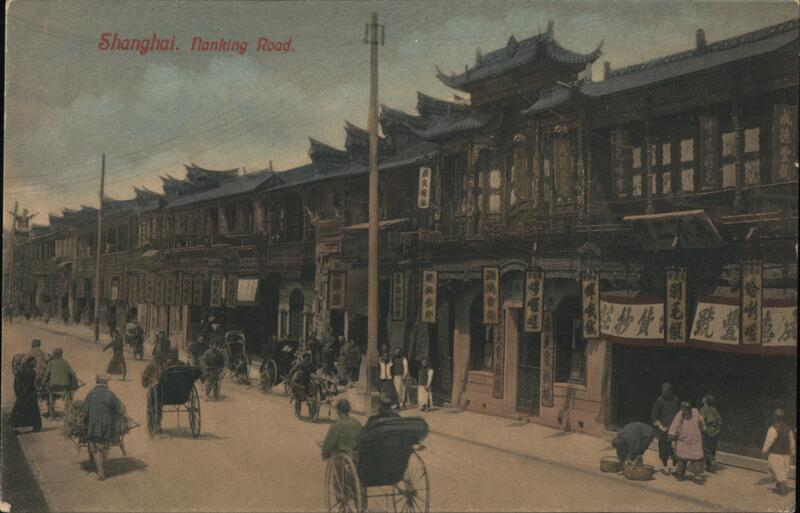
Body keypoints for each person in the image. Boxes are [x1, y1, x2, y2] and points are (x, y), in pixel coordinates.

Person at [82, 374, 126, 481]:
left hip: (93, 426)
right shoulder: (111, 394)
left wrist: (85, 422)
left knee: (95, 447)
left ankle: (101, 472)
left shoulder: (90, 394)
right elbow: (120, 410)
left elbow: (84, 411)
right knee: (101, 446)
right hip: (108, 427)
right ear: (106, 383)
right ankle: (97, 464)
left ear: (97, 382)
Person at [668, 401, 704, 482]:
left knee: (684, 458)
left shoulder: (682, 413)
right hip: (689, 438)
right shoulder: (695, 411)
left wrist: (671, 435)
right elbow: (701, 421)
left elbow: (674, 425)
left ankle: (681, 475)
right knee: (693, 457)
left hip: (690, 438)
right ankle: (695, 474)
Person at [762, 409, 796, 496]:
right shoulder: (789, 430)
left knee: (775, 470)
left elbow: (769, 441)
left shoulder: (773, 428)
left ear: (774, 417)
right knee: (782, 471)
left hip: (775, 454)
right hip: (786, 454)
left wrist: (764, 451)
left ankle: (782, 490)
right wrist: (793, 453)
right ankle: (779, 487)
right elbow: (792, 443)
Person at [651, 382, 680, 475]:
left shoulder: (675, 400)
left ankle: (675, 466)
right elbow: (654, 416)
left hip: (674, 428)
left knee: (675, 448)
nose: (666, 392)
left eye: (668, 391)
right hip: (663, 429)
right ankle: (665, 466)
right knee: (663, 448)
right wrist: (660, 426)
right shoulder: (659, 400)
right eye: (664, 391)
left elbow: (679, 414)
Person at [41, 348, 78, 417]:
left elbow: (46, 375)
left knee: (50, 395)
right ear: (61, 354)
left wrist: (42, 383)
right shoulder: (65, 363)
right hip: (65, 387)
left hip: (54, 387)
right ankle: (68, 411)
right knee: (67, 397)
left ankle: (51, 411)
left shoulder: (51, 363)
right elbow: (72, 374)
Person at [10, 356, 42, 433]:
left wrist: (18, 393)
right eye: (34, 362)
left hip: (23, 393)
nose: (35, 364)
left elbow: (17, 384)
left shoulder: (21, 371)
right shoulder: (32, 372)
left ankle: (15, 427)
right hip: (30, 393)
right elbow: (32, 384)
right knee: (33, 410)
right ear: (30, 362)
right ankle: (36, 426)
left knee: (21, 409)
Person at [699, 394, 722, 472]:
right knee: (712, 448)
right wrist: (717, 429)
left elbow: (701, 421)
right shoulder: (715, 410)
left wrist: (702, 429)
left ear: (705, 401)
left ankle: (712, 460)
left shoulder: (703, 410)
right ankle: (709, 466)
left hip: (707, 432)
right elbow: (720, 421)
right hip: (715, 432)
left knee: (705, 448)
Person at [290, 353, 315, 418]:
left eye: (309, 359)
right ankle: (298, 413)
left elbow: (292, 371)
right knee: (299, 397)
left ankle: (311, 413)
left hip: (304, 385)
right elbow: (293, 382)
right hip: (298, 386)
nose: (307, 362)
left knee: (310, 395)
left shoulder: (307, 368)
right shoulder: (299, 373)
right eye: (307, 359)